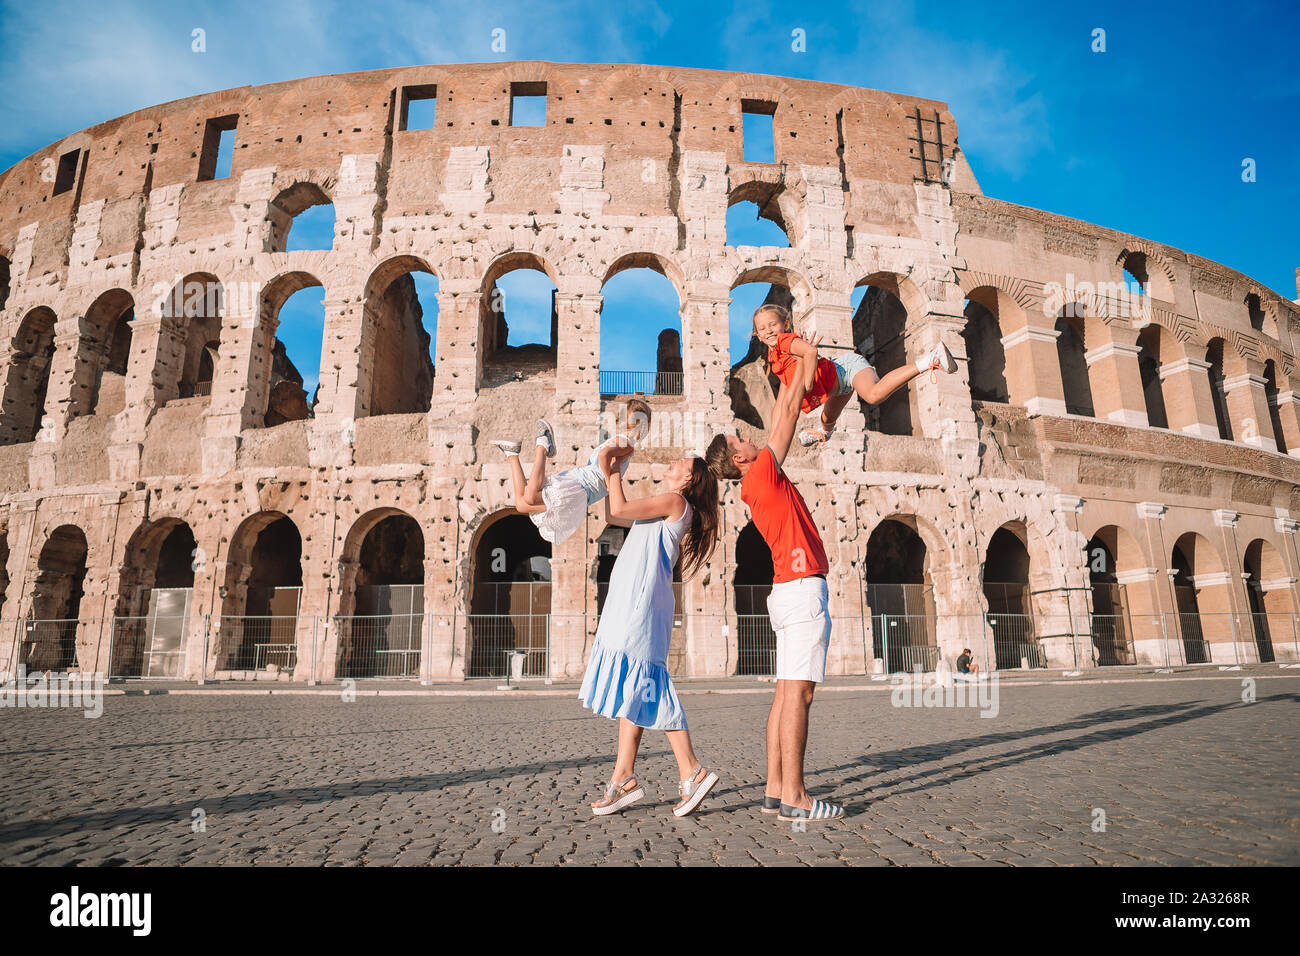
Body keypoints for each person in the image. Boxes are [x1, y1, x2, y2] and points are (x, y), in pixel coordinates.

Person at [705, 348, 844, 823]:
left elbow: (786, 407)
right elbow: (786, 415)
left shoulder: (753, 485)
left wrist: (790, 363)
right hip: (802, 591)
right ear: (738, 457)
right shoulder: (762, 470)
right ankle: (796, 798)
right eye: (740, 438)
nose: (748, 436)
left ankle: (773, 789)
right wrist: (800, 357)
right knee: (799, 696)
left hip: (786, 591)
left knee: (785, 694)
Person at [577, 439, 722, 818]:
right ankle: (624, 777)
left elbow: (619, 506)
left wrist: (610, 464)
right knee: (635, 686)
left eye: (682, 461)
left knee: (648, 682)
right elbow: (614, 514)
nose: (673, 460)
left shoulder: (676, 503)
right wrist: (611, 471)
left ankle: (692, 770)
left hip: (640, 605)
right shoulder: (662, 507)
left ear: (689, 479)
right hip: (631, 601)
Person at [752, 302, 957, 446]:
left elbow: (811, 352)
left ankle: (931, 359)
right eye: (762, 328)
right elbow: (781, 403)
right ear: (758, 336)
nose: (768, 330)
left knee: (873, 395)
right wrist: (772, 439)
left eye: (773, 324)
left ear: (786, 324)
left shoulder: (785, 342)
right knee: (827, 419)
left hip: (848, 369)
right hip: (838, 386)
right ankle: (823, 433)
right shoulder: (775, 357)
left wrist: (807, 384)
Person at [492, 399, 651, 545]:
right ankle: (543, 444)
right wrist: (609, 481)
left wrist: (645, 523)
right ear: (644, 425)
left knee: (522, 505)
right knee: (530, 497)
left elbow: (611, 514)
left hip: (581, 488)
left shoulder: (618, 442)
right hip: (580, 487)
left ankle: (512, 454)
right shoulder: (627, 444)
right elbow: (604, 456)